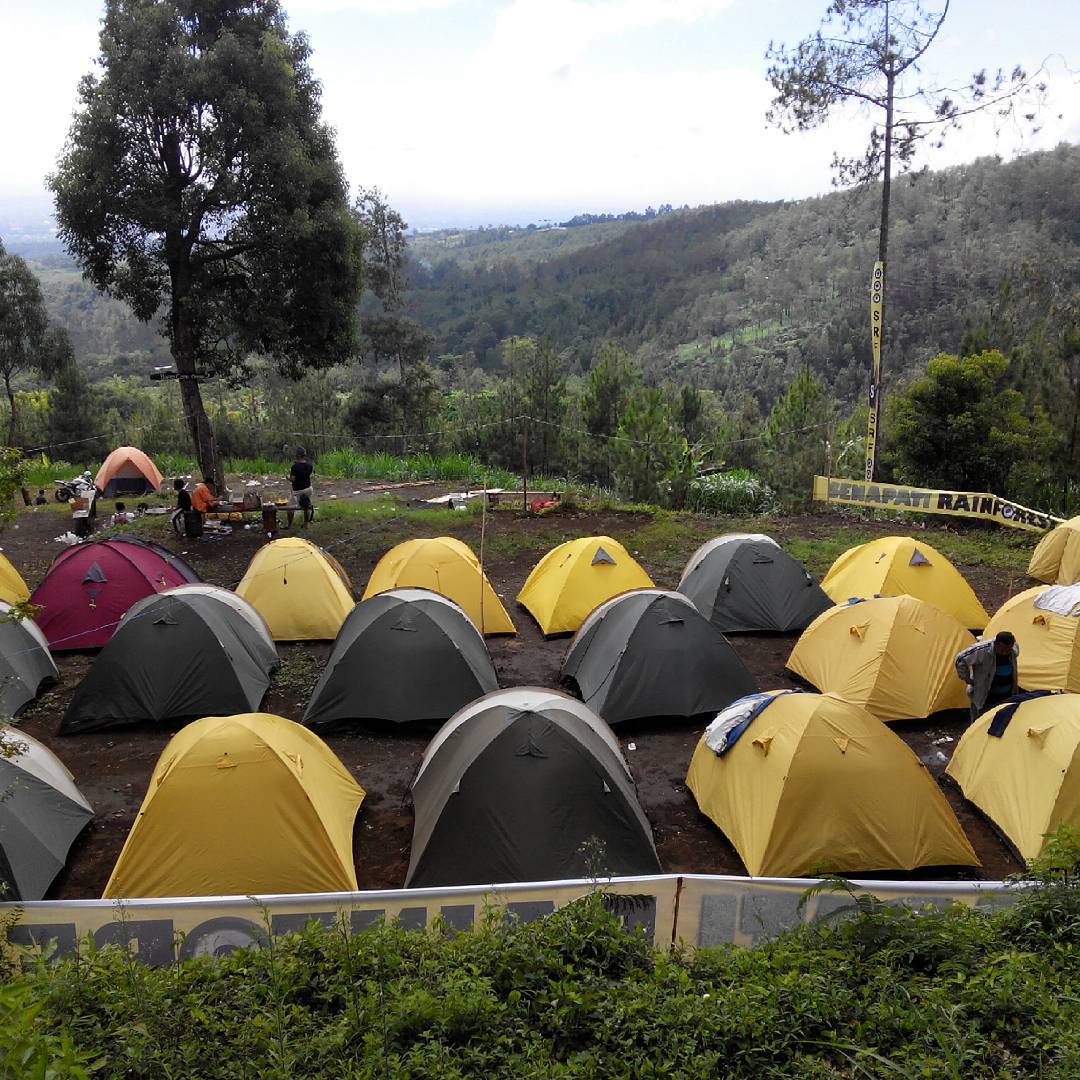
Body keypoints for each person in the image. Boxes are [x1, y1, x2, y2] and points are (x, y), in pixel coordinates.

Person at [954, 630, 1020, 720]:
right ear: (996, 644)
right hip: (986, 695)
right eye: (1002, 650)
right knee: (983, 719)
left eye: (1008, 650)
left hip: (1007, 694)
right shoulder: (982, 650)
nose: (1005, 653)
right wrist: (966, 678)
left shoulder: (1014, 648)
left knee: (1003, 718)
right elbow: (960, 659)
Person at [287, 447, 314, 528]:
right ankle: (306, 524)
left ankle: (289, 525)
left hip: (298, 491)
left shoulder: (294, 467)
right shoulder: (309, 465)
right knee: (306, 506)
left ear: (297, 455)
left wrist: (287, 477)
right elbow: (304, 472)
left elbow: (292, 479)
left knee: (290, 507)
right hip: (308, 489)